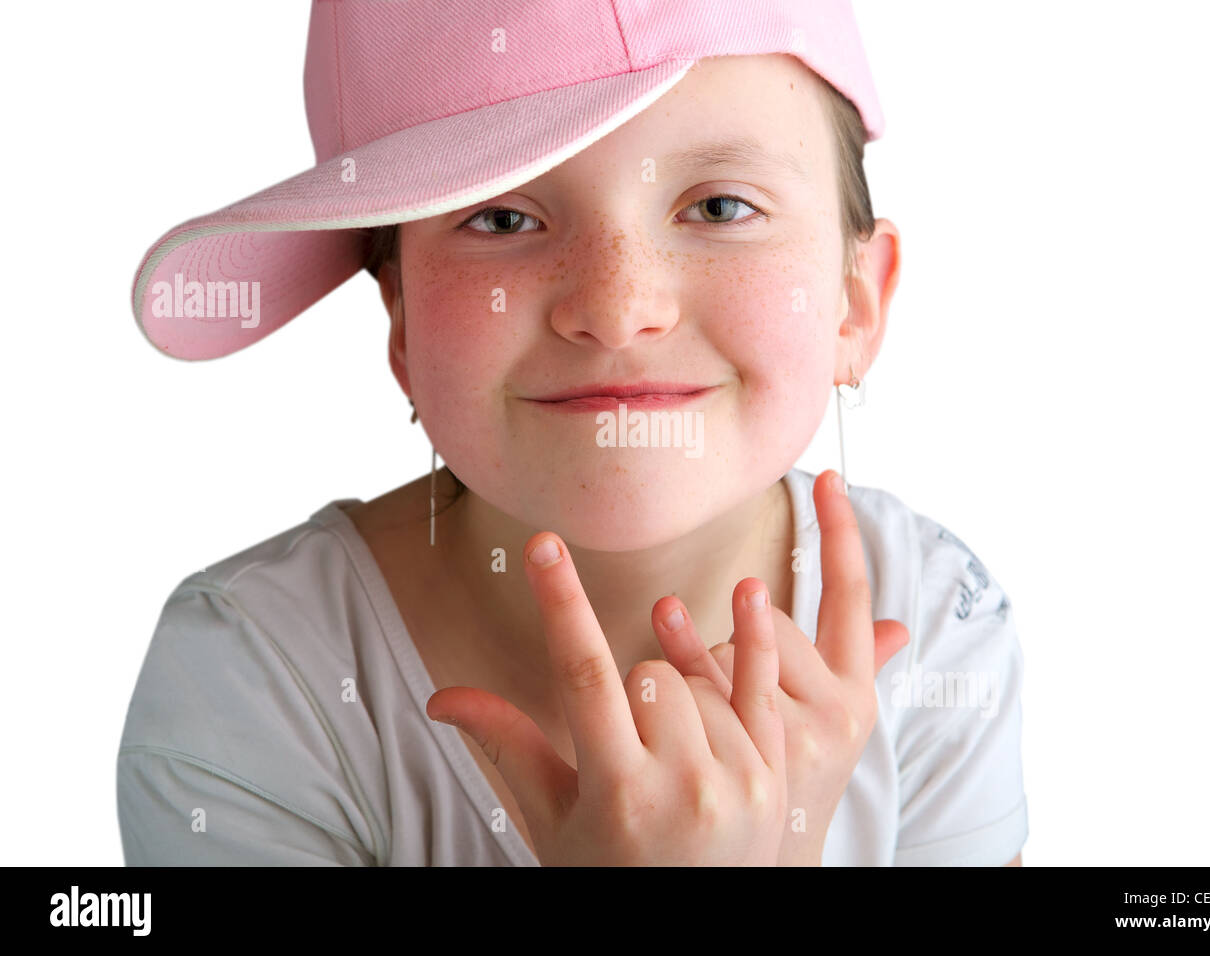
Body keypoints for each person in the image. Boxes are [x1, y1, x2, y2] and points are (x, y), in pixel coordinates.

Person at [118, 0, 1027, 866]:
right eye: (503, 218)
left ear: (855, 302)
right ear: (401, 321)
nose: (618, 308)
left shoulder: (939, 629)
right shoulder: (254, 682)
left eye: (719, 207)